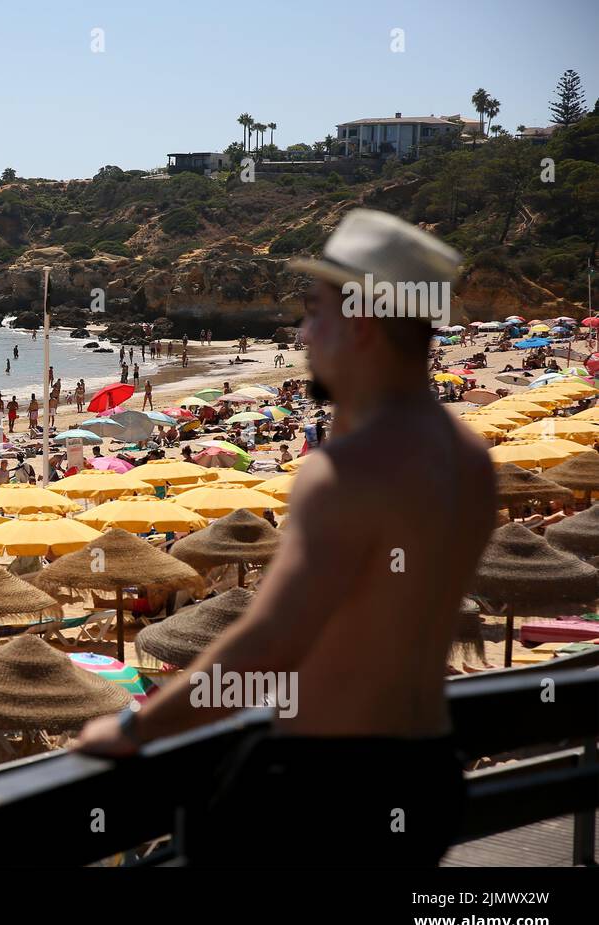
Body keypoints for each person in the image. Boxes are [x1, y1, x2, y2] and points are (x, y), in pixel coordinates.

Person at [75, 209, 494, 867]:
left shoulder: (347, 470)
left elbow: (272, 644)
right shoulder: (468, 458)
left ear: (358, 323)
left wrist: (133, 726)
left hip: (323, 797)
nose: (302, 333)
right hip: (427, 776)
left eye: (313, 312)